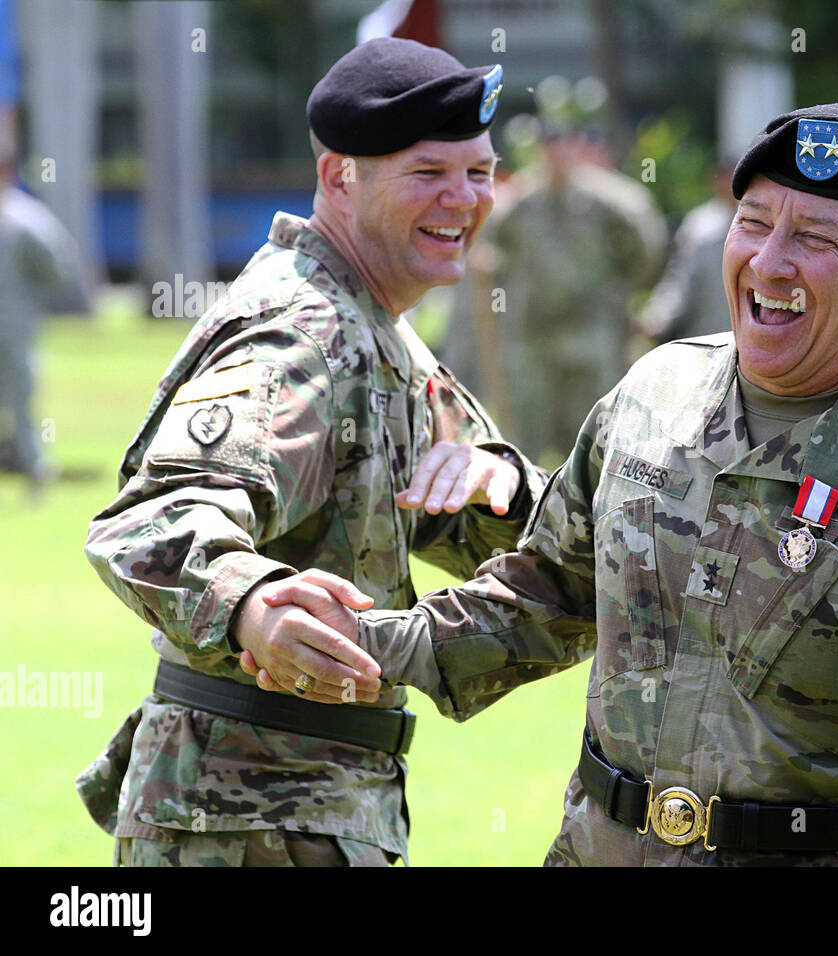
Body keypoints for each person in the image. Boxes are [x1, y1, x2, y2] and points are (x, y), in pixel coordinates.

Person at [253, 103, 838, 865]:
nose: (770, 260)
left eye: (817, 239)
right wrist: (362, 643)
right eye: (752, 223)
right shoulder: (654, 397)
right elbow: (546, 590)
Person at [78, 39, 546, 867]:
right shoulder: (305, 336)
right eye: (429, 173)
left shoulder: (377, 326)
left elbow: (533, 533)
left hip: (301, 805)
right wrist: (252, 604)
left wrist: (500, 483)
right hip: (249, 820)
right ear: (340, 178)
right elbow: (151, 520)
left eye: (479, 173)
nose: (464, 199)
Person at [486, 128, 665, 462]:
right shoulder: (521, 200)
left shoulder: (609, 199)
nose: (555, 156)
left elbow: (645, 248)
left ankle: (590, 501)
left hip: (591, 332)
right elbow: (497, 251)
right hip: (536, 334)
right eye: (548, 147)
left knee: (594, 426)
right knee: (529, 428)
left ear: (575, 148)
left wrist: (619, 291)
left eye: (562, 146)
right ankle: (528, 501)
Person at [0, 122, 92, 494]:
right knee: (22, 402)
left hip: (16, 325)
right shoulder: (26, 216)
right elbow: (59, 266)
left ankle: (33, 470)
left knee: (21, 401)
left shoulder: (22, 218)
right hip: (16, 326)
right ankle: (35, 471)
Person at [634, 157, 737, 345]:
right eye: (724, 177)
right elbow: (678, 279)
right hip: (703, 337)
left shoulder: (763, 223)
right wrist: (656, 317)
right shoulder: (699, 226)